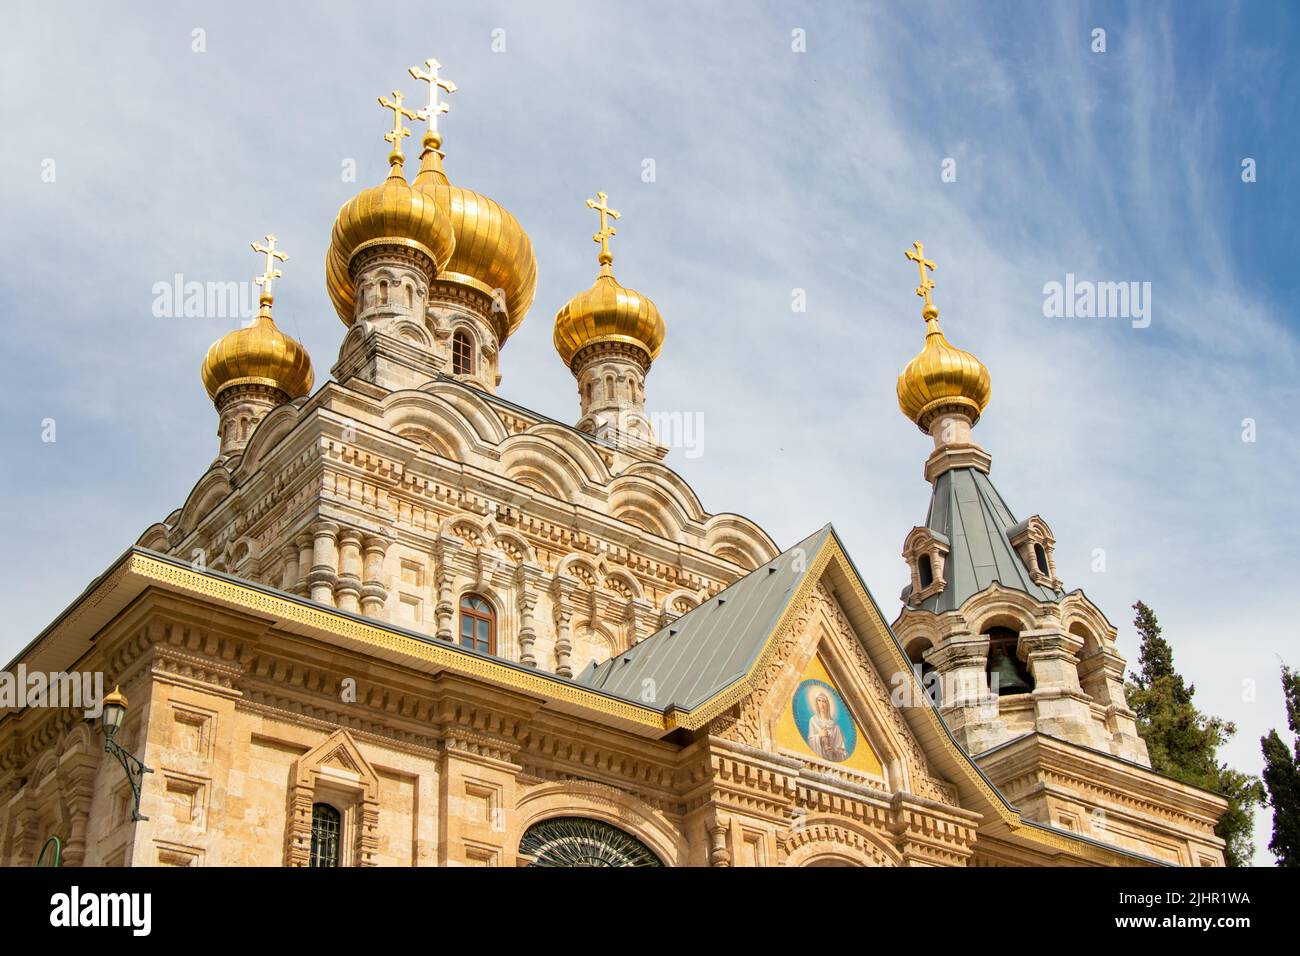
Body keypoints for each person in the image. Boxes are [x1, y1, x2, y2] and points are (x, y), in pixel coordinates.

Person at [806, 690, 848, 761]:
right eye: (819, 701)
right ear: (816, 703)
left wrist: (834, 751)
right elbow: (810, 742)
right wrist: (819, 736)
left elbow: (843, 753)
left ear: (828, 704)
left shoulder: (835, 727)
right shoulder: (813, 721)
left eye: (824, 701)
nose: (822, 704)